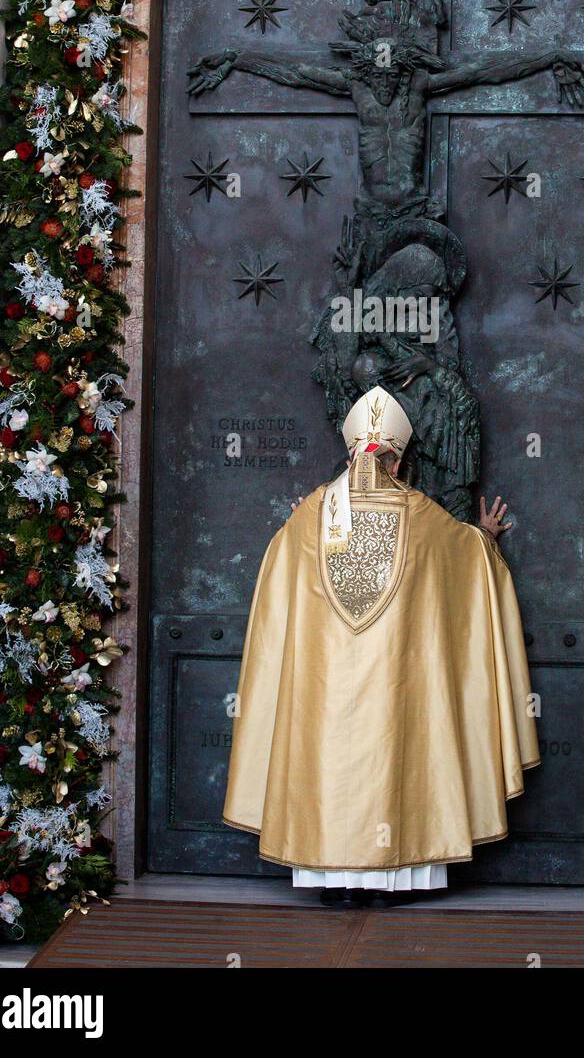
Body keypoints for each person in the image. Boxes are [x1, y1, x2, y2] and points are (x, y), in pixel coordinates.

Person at [222, 385, 539, 906]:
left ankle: (333, 881)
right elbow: (469, 559)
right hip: (400, 683)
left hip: (323, 689)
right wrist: (484, 537)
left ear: (351, 453)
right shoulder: (426, 517)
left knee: (326, 756)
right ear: (400, 459)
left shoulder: (310, 517)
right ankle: (394, 881)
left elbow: (277, 587)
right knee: (402, 750)